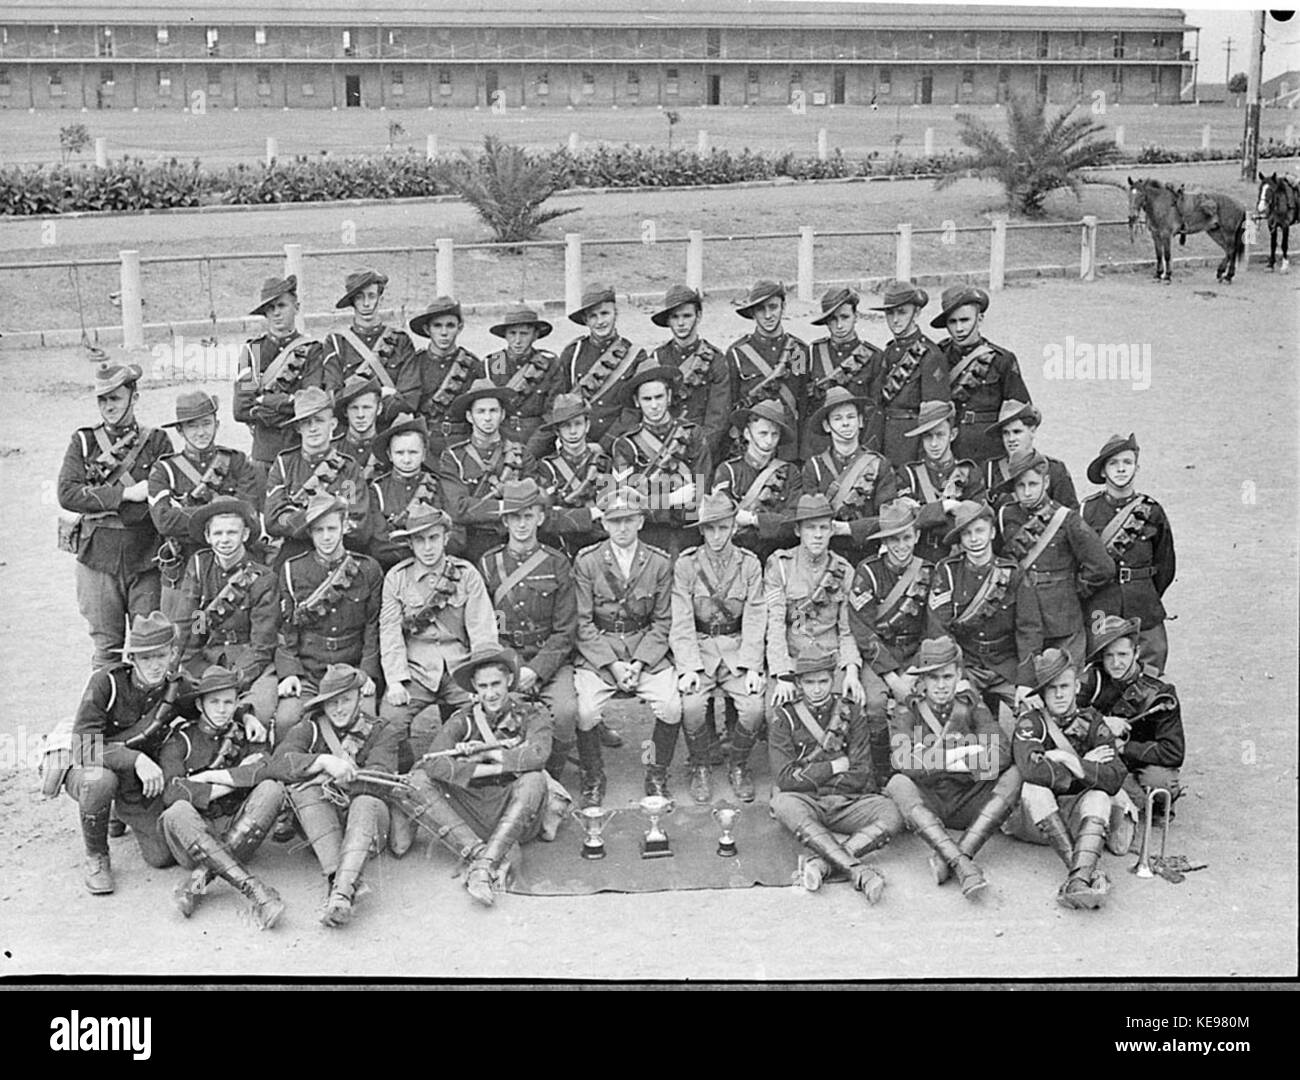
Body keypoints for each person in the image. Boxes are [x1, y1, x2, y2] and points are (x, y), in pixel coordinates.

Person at [400, 644, 555, 908]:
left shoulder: (532, 712)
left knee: (535, 779)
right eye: (483, 687)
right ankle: (481, 854)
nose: (491, 693)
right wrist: (477, 768)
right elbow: (432, 763)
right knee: (415, 780)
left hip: (516, 809)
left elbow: (537, 756)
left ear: (509, 680)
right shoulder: (464, 718)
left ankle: (482, 868)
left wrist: (489, 757)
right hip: (473, 809)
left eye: (496, 684)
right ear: (473, 686)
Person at [64, 611, 195, 894]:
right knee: (99, 782)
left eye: (161, 655)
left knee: (162, 857)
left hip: (136, 782)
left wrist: (244, 716)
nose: (155, 665)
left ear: (173, 653)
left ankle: (119, 813)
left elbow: (207, 705)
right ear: (132, 659)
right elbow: (83, 745)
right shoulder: (107, 683)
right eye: (146, 658)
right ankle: (97, 856)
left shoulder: (176, 687)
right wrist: (135, 759)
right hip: (91, 767)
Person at [884, 636, 1023, 899]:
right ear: (922, 681)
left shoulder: (973, 706)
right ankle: (962, 865)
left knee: (1015, 775)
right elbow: (903, 761)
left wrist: (932, 759)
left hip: (968, 801)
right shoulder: (908, 710)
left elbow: (1001, 753)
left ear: (958, 675)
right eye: (933, 678)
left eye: (947, 677)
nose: (940, 685)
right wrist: (962, 755)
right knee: (897, 783)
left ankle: (959, 852)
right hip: (929, 803)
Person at [268, 663, 403, 927]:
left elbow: (380, 781)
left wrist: (325, 778)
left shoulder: (381, 730)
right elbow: (278, 763)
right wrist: (322, 761)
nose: (339, 709)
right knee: (302, 791)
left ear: (359, 699)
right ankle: (340, 882)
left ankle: (340, 893)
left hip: (368, 830)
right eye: (332, 703)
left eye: (345, 700)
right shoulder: (311, 728)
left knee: (364, 801)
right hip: (320, 831)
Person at [59, 363, 175, 669]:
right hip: (98, 557)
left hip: (146, 556)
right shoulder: (84, 442)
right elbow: (68, 494)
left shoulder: (157, 441)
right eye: (103, 400)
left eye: (116, 398)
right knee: (107, 650)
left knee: (149, 644)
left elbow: (166, 494)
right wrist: (125, 494)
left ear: (134, 397)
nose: (109, 407)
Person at [769, 646, 903, 906]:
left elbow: (862, 770)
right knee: (783, 802)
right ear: (798, 683)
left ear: (833, 680)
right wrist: (833, 768)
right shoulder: (785, 717)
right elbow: (785, 778)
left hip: (846, 801)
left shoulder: (851, 711)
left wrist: (810, 778)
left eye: (823, 681)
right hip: (807, 802)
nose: (817, 689)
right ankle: (859, 871)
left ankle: (822, 864)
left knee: (891, 811)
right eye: (809, 683)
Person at [572, 488, 681, 806]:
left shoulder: (659, 562)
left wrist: (639, 664)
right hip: (600, 651)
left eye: (629, 520)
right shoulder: (588, 561)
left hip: (644, 649)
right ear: (604, 524)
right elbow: (582, 621)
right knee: (585, 711)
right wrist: (612, 665)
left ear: (641, 522)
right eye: (615, 521)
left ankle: (656, 772)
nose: (622, 528)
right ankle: (593, 775)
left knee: (672, 707)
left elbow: (663, 622)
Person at [157, 665, 285, 928]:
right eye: (214, 702)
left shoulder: (249, 732)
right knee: (177, 811)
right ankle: (255, 891)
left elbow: (265, 768)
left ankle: (196, 883)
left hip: (238, 830)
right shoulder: (181, 739)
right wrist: (236, 779)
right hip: (192, 834)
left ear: (238, 703)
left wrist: (206, 778)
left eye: (229, 702)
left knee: (272, 789)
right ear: (201, 705)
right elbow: (173, 791)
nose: (222, 709)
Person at [1004, 648, 1126, 910]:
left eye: (1065, 686)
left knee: (1101, 795)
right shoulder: (1030, 723)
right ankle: (1082, 872)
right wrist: (1086, 769)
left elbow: (1115, 776)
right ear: (1042, 692)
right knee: (1033, 788)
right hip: (1037, 823)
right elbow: (1032, 770)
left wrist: (1069, 760)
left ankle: (1077, 882)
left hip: (1078, 819)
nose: (1059, 694)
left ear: (1076, 686)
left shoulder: (1093, 720)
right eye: (1051, 688)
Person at [378, 504, 497, 763]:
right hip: (416, 672)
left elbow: (482, 630)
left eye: (433, 538)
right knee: (389, 721)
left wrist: (482, 676)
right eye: (419, 540)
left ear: (445, 538)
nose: (428, 547)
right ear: (410, 544)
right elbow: (390, 633)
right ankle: (400, 772)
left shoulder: (465, 575)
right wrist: (395, 680)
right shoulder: (396, 578)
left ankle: (478, 778)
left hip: (461, 669)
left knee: (488, 715)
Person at [478, 479, 578, 782]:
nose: (522, 524)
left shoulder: (557, 563)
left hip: (549, 658)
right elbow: (484, 627)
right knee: (496, 713)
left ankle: (551, 776)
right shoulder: (488, 564)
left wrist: (537, 670)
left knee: (565, 713)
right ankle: (507, 775)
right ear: (505, 520)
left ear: (540, 518)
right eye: (515, 517)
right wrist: (515, 667)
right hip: (504, 658)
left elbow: (565, 630)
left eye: (528, 516)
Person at [671, 493, 766, 804]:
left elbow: (755, 616)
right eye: (710, 529)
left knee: (753, 708)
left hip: (737, 650)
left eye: (723, 528)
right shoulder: (687, 565)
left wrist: (753, 666)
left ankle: (738, 765)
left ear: (733, 529)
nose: (716, 536)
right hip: (699, 649)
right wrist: (688, 668)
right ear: (701, 530)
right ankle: (699, 764)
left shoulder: (749, 564)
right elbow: (682, 620)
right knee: (692, 706)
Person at [273, 494, 384, 740]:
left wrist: (367, 672)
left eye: (332, 528)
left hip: (351, 670)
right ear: (310, 533)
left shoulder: (368, 569)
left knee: (366, 724)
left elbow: (372, 626)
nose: (326, 537)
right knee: (286, 720)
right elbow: (286, 629)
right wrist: (290, 671)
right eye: (319, 530)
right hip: (310, 669)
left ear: (345, 527)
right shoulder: (293, 570)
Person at [167, 497, 279, 734]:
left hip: (249, 661)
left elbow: (262, 644)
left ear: (245, 535)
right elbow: (192, 622)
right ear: (208, 537)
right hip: (207, 658)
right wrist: (186, 665)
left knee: (262, 711)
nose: (225, 540)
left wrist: (233, 679)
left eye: (232, 532)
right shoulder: (199, 566)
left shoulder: (263, 578)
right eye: (218, 533)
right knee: (174, 704)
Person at [995, 449, 1115, 668]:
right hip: (1020, 621)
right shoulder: (1006, 515)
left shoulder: (1066, 519)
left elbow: (1102, 567)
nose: (1027, 492)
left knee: (1067, 685)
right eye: (1020, 486)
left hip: (1063, 621)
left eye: (1033, 484)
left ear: (1046, 481)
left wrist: (1073, 589)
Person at [149, 389, 261, 609]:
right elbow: (163, 521)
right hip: (183, 572)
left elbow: (247, 513)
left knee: (230, 629)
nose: (201, 432)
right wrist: (224, 510)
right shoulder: (165, 470)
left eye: (206, 423)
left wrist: (187, 516)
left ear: (217, 425)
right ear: (180, 430)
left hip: (233, 570)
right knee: (187, 632)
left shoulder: (237, 462)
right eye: (192, 426)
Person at [926, 500, 1035, 724]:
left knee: (1032, 713)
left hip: (1006, 667)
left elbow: (1029, 629)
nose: (974, 539)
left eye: (980, 531)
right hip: (966, 664)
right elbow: (939, 629)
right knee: (955, 715)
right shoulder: (947, 571)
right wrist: (960, 676)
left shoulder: (1013, 574)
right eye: (967, 534)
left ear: (992, 532)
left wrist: (1026, 682)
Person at [1080, 433, 1177, 673]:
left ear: (1137, 467)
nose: (1121, 469)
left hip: (1142, 602)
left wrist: (1146, 591)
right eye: (1113, 463)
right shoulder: (1087, 510)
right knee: (1096, 664)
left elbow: (1165, 564)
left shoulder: (1152, 511)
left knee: (1152, 663)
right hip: (1101, 604)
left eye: (1127, 462)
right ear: (1103, 471)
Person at [847, 500, 935, 753]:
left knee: (930, 698)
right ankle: (881, 766)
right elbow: (863, 630)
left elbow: (934, 629)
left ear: (917, 535)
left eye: (906, 537)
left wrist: (913, 671)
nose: (901, 546)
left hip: (917, 655)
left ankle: (922, 758)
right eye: (893, 539)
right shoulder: (868, 572)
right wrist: (892, 678)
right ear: (883, 542)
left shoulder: (928, 571)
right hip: (879, 656)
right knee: (874, 703)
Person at [765, 494, 867, 710]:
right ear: (798, 531)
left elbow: (847, 630)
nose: (818, 535)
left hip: (831, 662)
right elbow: (775, 625)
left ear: (832, 530)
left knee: (851, 706)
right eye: (811, 528)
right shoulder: (781, 566)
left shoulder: (844, 570)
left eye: (823, 527)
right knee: (773, 711)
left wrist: (850, 669)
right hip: (794, 660)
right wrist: (782, 674)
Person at [1079, 615, 1185, 819]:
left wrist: (1124, 747)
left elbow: (1173, 752)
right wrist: (1101, 721)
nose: (1116, 663)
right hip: (1100, 753)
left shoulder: (1161, 692)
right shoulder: (1094, 678)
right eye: (1109, 656)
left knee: (1160, 782)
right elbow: (1067, 712)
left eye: (1122, 654)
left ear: (1136, 653)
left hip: (1136, 762)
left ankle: (1133, 797)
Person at [232, 275, 333, 487]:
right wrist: (288, 402)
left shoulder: (312, 350)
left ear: (296, 307)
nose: (276, 313)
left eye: (282, 305)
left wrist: (262, 401)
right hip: (264, 454)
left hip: (299, 451)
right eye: (270, 308)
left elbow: (308, 403)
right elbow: (241, 409)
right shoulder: (254, 351)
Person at [610, 359, 710, 556]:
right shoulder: (625, 445)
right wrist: (671, 500)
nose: (654, 405)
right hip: (647, 534)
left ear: (669, 396)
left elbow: (700, 492)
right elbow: (625, 502)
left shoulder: (693, 434)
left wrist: (651, 501)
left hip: (688, 530)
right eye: (647, 399)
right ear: (637, 402)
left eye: (659, 397)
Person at [263, 386, 372, 566]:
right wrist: (327, 518)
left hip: (338, 557)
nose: (313, 428)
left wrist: (298, 520)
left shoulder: (346, 470)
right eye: (307, 422)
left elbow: (354, 520)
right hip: (294, 555)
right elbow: (273, 521)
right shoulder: (284, 464)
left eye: (319, 421)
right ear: (298, 427)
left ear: (333, 424)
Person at [438, 378, 536, 565]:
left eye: (493, 411)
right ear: (469, 417)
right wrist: (506, 507)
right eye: (481, 411)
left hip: (512, 541)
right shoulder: (453, 457)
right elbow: (458, 509)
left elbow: (531, 500)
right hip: (470, 546)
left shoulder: (521, 454)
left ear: (502, 414)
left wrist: (482, 511)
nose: (488, 417)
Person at [930, 286, 1030, 465]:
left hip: (988, 448)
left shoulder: (1002, 360)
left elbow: (1020, 413)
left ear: (980, 318)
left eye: (965, 320)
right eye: (952, 322)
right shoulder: (937, 356)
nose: (959, 328)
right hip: (947, 447)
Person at [801, 387, 897, 564]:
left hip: (867, 555)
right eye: (837, 419)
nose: (845, 424)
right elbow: (807, 519)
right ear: (827, 426)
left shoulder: (879, 465)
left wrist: (848, 528)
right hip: (824, 557)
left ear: (860, 421)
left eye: (851, 417)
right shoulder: (814, 467)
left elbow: (888, 518)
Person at [724, 279, 810, 462]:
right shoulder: (738, 353)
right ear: (753, 313)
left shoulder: (797, 351)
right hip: (753, 445)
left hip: (788, 445)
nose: (768, 315)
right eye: (761, 309)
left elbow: (801, 398)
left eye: (773, 307)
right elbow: (731, 405)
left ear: (783, 307)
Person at [323, 268, 422, 425]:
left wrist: (360, 401)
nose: (366, 303)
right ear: (352, 302)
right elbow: (333, 397)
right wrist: (383, 394)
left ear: (380, 300)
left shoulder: (401, 341)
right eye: (359, 297)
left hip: (388, 428)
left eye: (371, 296)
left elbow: (409, 399)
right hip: (351, 430)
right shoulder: (336, 342)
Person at [711, 398, 803, 565]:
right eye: (763, 433)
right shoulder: (728, 471)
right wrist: (772, 521)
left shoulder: (791, 473)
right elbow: (720, 516)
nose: (769, 441)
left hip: (779, 558)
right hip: (737, 560)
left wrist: (753, 519)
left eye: (774, 434)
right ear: (747, 433)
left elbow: (793, 523)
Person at [867, 280, 949, 468]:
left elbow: (935, 416)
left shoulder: (930, 355)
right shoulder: (889, 351)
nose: (895, 319)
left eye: (902, 312)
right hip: (885, 437)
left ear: (917, 313)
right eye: (890, 313)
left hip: (913, 442)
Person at [556, 283, 647, 447]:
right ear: (585, 320)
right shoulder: (573, 353)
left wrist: (606, 444)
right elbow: (561, 402)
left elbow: (634, 410)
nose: (600, 321)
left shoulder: (634, 355)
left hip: (619, 442)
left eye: (605, 313)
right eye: (593, 316)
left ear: (615, 314)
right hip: (579, 444)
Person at [897, 399, 986, 564]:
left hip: (957, 562)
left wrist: (924, 514)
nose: (933, 444)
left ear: (953, 435)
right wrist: (946, 508)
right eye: (927, 436)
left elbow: (976, 521)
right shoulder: (909, 474)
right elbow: (902, 521)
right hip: (917, 564)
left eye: (940, 435)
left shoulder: (969, 473)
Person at [648, 284, 730, 462]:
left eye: (687, 316)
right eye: (675, 317)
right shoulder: (657, 357)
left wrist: (695, 451)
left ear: (698, 316)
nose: (681, 323)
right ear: (668, 320)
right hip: (661, 448)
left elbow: (717, 418)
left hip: (701, 449)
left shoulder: (715, 359)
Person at [367, 414, 453, 571]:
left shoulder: (437, 486)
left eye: (413, 452)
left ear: (424, 454)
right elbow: (379, 546)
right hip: (391, 570)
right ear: (389, 455)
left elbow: (453, 537)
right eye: (400, 453)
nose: (406, 460)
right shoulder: (377, 490)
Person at [805, 287, 883, 457]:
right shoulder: (813, 352)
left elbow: (874, 410)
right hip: (822, 447)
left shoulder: (873, 357)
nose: (839, 325)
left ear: (856, 317)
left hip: (858, 445)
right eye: (832, 319)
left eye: (845, 317)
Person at [533, 393, 612, 558]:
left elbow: (613, 509)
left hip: (604, 546)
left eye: (578, 424)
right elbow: (548, 519)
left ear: (587, 425)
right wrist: (592, 514)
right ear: (557, 430)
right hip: (564, 548)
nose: (573, 431)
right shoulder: (547, 467)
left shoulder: (605, 463)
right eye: (566, 426)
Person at [410, 296, 483, 461]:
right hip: (426, 444)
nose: (444, 332)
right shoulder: (415, 363)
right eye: (437, 326)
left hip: (462, 444)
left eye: (450, 326)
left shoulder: (472, 364)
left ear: (460, 328)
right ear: (427, 329)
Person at [482, 305, 562, 450]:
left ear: (535, 335)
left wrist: (533, 449)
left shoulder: (549, 363)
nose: (517, 340)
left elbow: (553, 414)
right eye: (512, 333)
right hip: (501, 443)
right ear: (505, 335)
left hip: (538, 443)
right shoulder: (495, 362)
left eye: (524, 333)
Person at [982, 401, 1077, 511]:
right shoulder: (990, 469)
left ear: (1032, 431)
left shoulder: (1054, 469)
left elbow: (1068, 517)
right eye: (1006, 433)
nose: (1011, 439)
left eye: (1017, 432)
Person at [334, 374, 385, 483]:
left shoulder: (387, 451)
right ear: (345, 412)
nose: (360, 415)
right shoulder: (333, 450)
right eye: (354, 408)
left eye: (366, 407)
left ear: (379, 408)